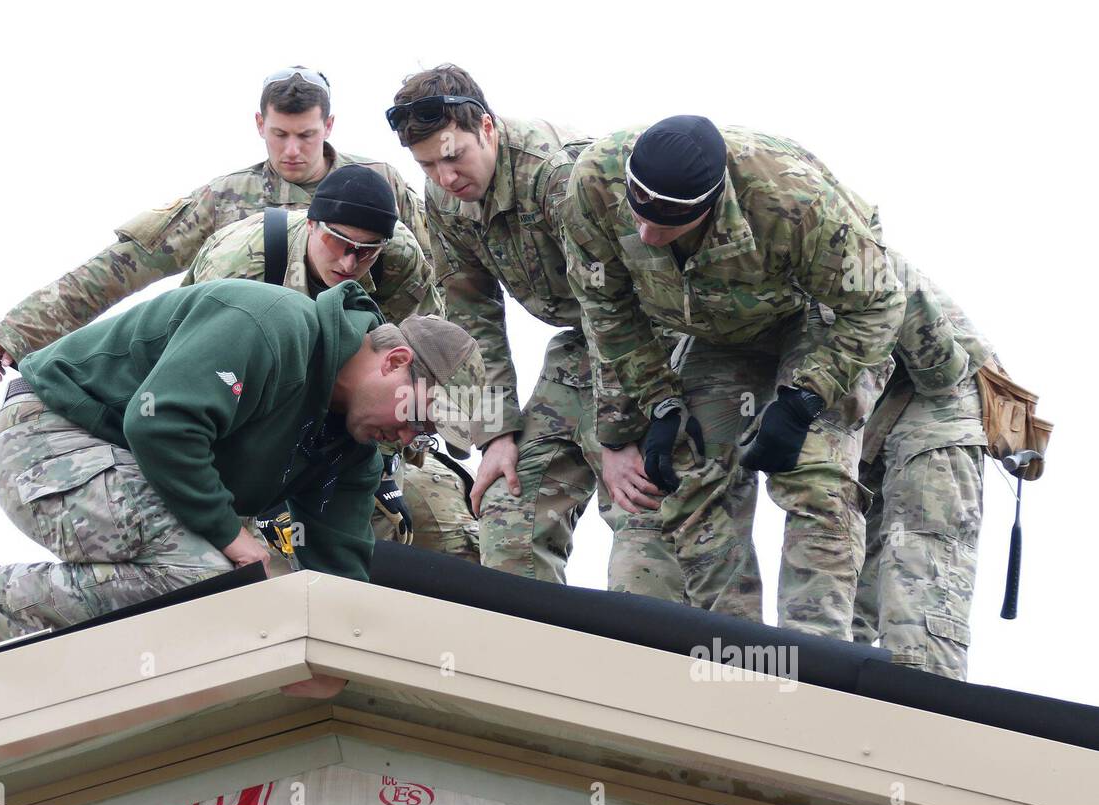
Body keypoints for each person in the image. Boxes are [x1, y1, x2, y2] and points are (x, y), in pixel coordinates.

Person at [0, 278, 484, 667]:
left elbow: (339, 563)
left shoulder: (353, 448)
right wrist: (234, 538)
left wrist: (348, 657)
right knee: (213, 579)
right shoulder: (272, 325)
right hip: (49, 436)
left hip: (137, 469)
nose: (410, 441)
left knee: (257, 597)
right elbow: (162, 425)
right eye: (419, 419)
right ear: (396, 361)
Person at [564, 115, 904, 640]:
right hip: (722, 329)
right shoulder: (593, 182)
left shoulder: (794, 201)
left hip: (822, 314)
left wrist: (803, 400)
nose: (647, 234)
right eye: (639, 210)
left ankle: (816, 659)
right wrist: (657, 402)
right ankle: (732, 649)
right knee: (693, 466)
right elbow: (607, 310)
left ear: (713, 203)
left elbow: (878, 305)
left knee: (812, 477)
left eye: (671, 221)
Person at [387, 64, 680, 595]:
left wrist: (613, 435)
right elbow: (471, 316)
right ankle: (524, 663)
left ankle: (648, 663)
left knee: (641, 503)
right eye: (428, 166)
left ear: (487, 129)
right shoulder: (446, 199)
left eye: (454, 157)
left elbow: (613, 307)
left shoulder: (559, 178)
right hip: (579, 345)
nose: (446, 178)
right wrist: (495, 432)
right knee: (509, 504)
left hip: (652, 342)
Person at [0, 66, 431, 380]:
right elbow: (125, 265)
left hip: (370, 378)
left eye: (306, 135)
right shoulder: (228, 197)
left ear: (328, 126)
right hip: (249, 378)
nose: (292, 150)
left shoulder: (379, 187)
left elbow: (438, 271)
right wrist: (25, 327)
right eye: (280, 135)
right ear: (260, 124)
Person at [185, 164, 480, 565]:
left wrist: (384, 462)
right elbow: (196, 402)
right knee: (242, 565)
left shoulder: (398, 261)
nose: (348, 261)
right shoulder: (240, 265)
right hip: (220, 421)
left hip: (338, 423)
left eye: (366, 251)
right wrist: (269, 491)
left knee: (435, 524)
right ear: (310, 224)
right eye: (337, 241)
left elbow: (417, 370)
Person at [854, 249, 995, 680]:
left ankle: (922, 709)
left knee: (919, 575)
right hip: (877, 417)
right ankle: (838, 693)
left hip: (941, 407)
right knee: (849, 572)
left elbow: (943, 369)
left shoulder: (828, 239)